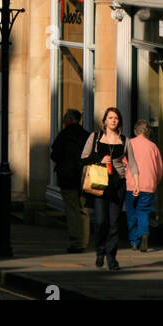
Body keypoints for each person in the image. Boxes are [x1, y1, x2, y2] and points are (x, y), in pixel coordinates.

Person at [81, 106, 139, 271]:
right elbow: (83, 157)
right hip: (100, 183)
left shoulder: (124, 140)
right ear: (104, 121)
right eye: (110, 118)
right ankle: (100, 252)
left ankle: (111, 259)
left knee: (114, 223)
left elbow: (133, 164)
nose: (113, 121)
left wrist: (136, 183)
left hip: (118, 184)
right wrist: (100, 159)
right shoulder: (95, 137)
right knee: (100, 222)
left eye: (116, 118)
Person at [50, 108, 91, 253]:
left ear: (70, 119)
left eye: (65, 117)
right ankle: (84, 241)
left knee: (72, 209)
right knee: (83, 209)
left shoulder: (64, 135)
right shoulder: (86, 135)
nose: (63, 120)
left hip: (67, 177)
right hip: (83, 178)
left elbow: (55, 155)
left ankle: (76, 242)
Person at [125, 120, 163, 252]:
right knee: (144, 212)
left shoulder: (129, 144)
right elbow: (159, 168)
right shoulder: (153, 147)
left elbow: (124, 164)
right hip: (148, 185)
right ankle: (144, 234)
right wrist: (155, 181)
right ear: (148, 132)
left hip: (131, 185)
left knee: (131, 213)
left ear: (135, 131)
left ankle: (134, 242)